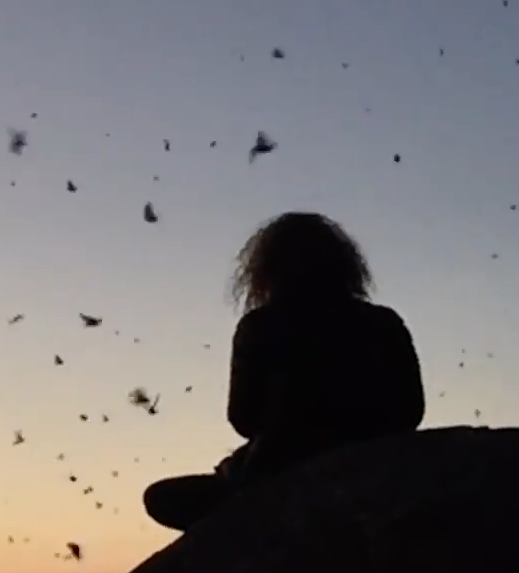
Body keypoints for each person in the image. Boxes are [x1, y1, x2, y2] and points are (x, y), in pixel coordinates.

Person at [144, 212, 425, 532]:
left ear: (266, 269)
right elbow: (410, 412)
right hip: (377, 463)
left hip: (281, 468)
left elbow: (243, 418)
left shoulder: (260, 326)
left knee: (162, 497)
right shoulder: (384, 322)